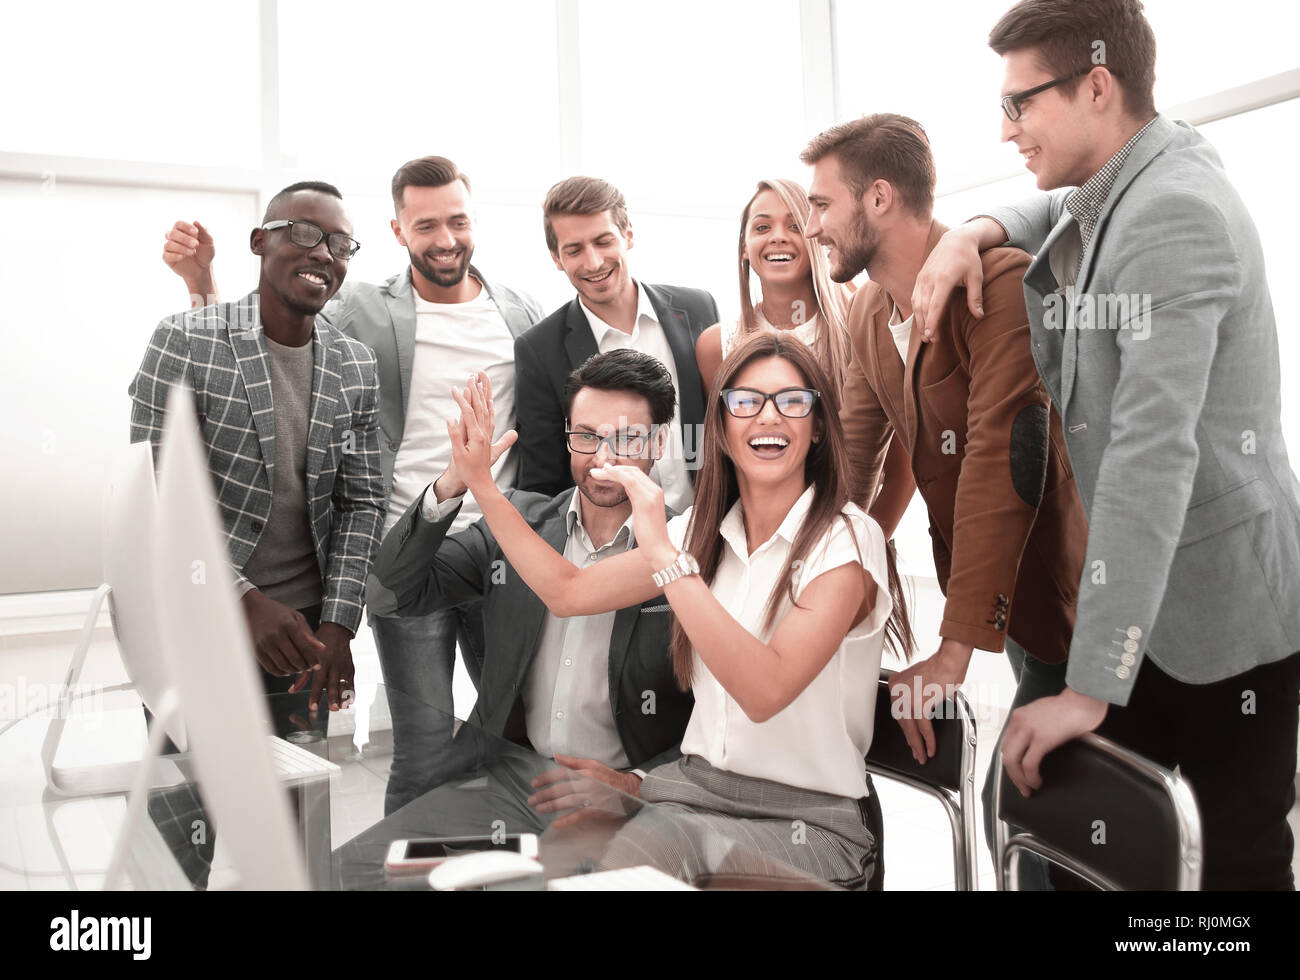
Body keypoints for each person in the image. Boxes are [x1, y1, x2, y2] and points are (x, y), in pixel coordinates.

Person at [912, 0, 1300, 890]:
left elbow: (1149, 461)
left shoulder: (1173, 215)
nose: (1005, 129)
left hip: (1218, 620)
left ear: (1096, 86)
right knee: (1130, 871)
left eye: (1021, 105)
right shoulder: (1134, 178)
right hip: (1147, 607)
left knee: (1228, 876)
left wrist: (1086, 689)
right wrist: (977, 229)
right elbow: (1053, 204)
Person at [449, 332, 913, 889]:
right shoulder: (701, 531)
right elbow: (567, 590)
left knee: (661, 856)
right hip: (691, 794)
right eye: (746, 402)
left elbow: (763, 690)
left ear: (816, 427)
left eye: (792, 401)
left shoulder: (850, 541)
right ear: (720, 427)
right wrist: (482, 484)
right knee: (583, 863)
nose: (768, 418)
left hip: (809, 821)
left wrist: (670, 561)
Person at [161, 157, 544, 816]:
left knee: (514, 732)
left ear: (474, 221)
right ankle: (402, 877)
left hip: (500, 557)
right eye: (426, 225)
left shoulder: (519, 311)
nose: (445, 238)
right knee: (423, 744)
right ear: (398, 230)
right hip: (406, 559)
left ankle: (508, 865)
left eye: (457, 221)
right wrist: (201, 281)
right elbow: (253, 342)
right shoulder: (364, 306)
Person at [799, 113, 1088, 884]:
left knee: (1025, 806)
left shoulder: (1000, 284)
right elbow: (854, 467)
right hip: (1015, 603)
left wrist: (954, 651)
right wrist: (794, 572)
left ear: (881, 199)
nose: (813, 225)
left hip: (1080, 594)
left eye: (823, 205)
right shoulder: (867, 311)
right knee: (1035, 810)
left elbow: (1003, 461)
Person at [131, 181, 384, 887]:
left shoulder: (355, 365)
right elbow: (154, 490)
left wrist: (337, 625)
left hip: (301, 637)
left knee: (298, 825)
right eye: (304, 233)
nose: (322, 254)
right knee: (185, 824)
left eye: (339, 244)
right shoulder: (186, 340)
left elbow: (363, 503)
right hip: (193, 623)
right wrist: (240, 598)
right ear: (259, 242)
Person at [364, 350, 694, 795]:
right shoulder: (516, 524)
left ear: (658, 443)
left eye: (628, 439)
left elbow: (715, 720)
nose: (604, 458)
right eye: (587, 436)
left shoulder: (688, 546)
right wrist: (451, 484)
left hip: (631, 804)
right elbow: (389, 595)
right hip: (509, 783)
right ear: (567, 436)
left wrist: (634, 785)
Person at [696, 178, 916, 539]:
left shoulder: (862, 328)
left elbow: (904, 466)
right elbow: (721, 465)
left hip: (847, 541)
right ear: (744, 249)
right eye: (762, 226)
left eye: (795, 225)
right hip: (754, 544)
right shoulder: (715, 345)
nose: (778, 236)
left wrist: (863, 549)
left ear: (818, 236)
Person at [512, 176, 718, 510]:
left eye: (603, 241)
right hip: (616, 547)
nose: (593, 263)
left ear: (628, 235)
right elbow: (542, 483)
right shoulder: (539, 349)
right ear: (556, 258)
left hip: (709, 525)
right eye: (574, 250)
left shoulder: (698, 308)